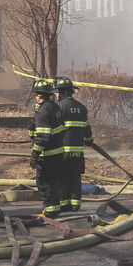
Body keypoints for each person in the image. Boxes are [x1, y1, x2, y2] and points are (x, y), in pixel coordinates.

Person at [55, 77, 93, 213]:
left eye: (57, 92)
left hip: (62, 151)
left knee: (62, 177)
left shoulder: (59, 107)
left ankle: (65, 204)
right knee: (75, 178)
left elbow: (55, 129)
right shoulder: (82, 108)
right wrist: (89, 140)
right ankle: (76, 205)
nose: (55, 95)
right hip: (78, 152)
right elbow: (87, 129)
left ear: (63, 92)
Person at [29, 79, 66, 219]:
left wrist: (34, 154)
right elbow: (61, 129)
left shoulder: (43, 111)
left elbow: (43, 137)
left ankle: (50, 210)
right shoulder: (55, 107)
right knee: (53, 182)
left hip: (47, 155)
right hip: (58, 152)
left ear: (39, 95)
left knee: (44, 182)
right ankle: (55, 209)